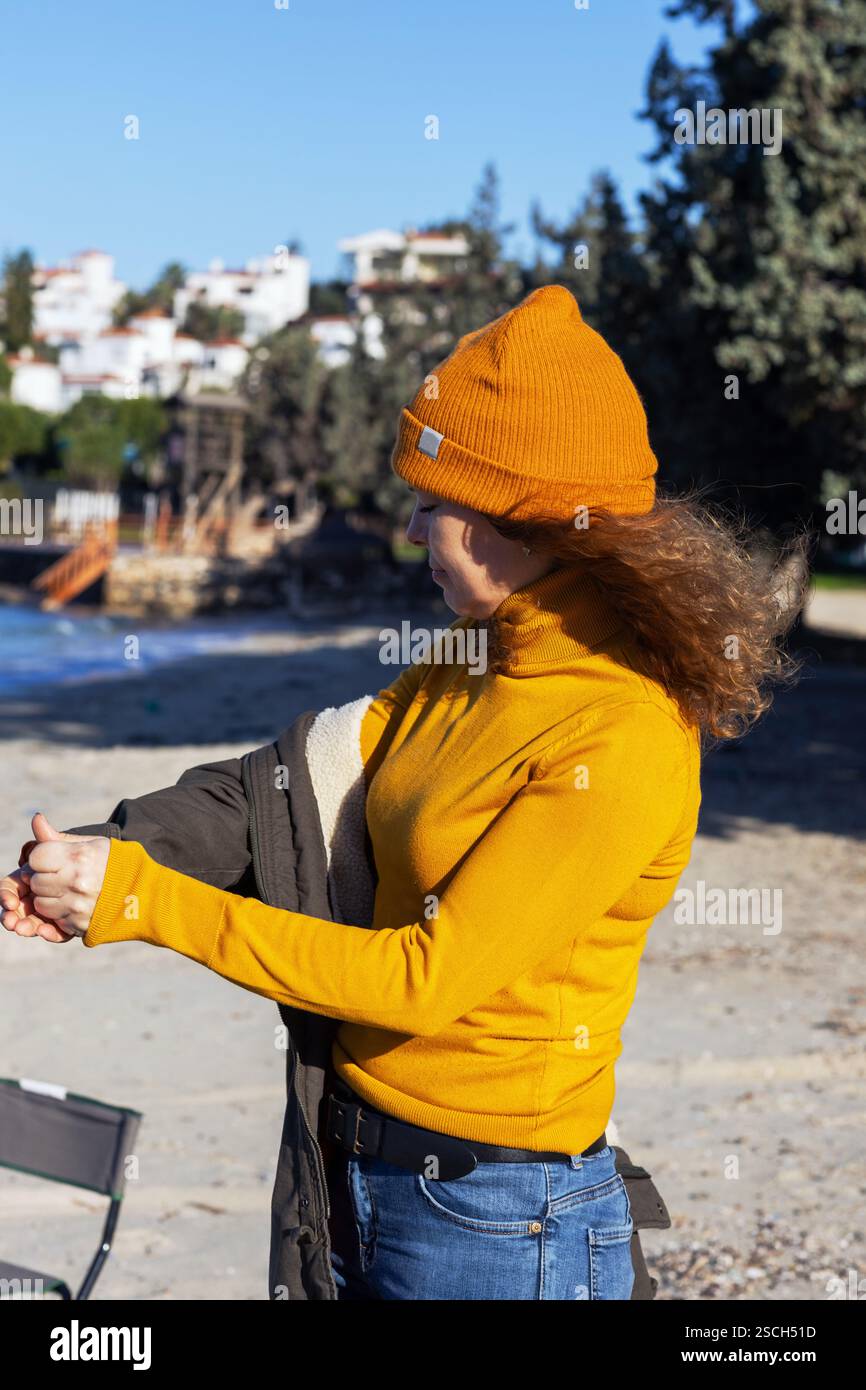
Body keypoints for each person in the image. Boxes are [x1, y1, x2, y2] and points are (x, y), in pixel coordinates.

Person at [1, 284, 808, 1300]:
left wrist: (138, 900)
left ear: (525, 512)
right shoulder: (477, 653)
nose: (412, 523)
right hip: (359, 1173)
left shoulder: (622, 731)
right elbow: (291, 789)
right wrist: (89, 852)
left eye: (435, 498)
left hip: (501, 1223)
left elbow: (420, 978)